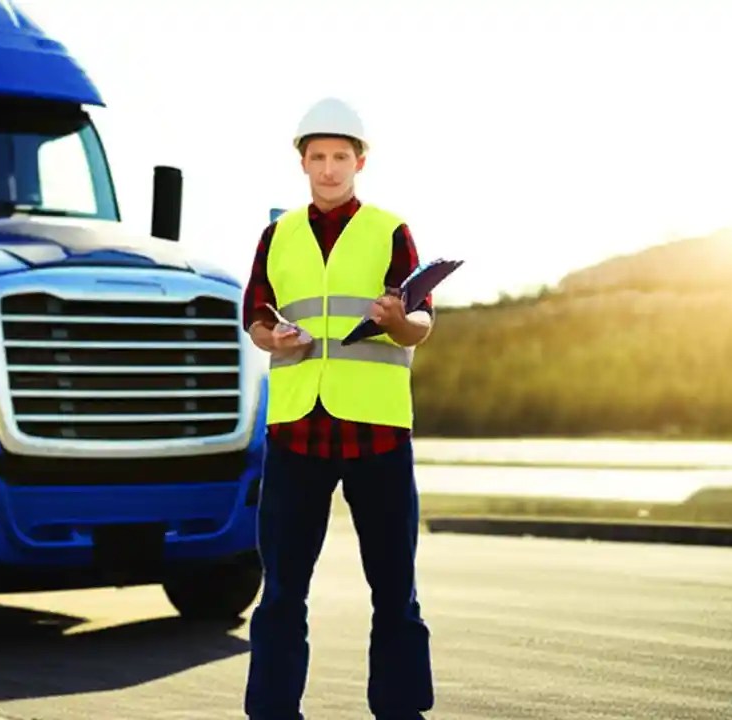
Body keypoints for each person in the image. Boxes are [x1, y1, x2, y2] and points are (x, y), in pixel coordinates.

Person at [242, 97, 436, 720]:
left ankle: (401, 711)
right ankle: (272, 712)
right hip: (297, 431)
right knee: (281, 593)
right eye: (318, 157)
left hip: (376, 432)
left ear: (360, 160)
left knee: (394, 592)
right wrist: (271, 338)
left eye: (340, 157)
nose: (329, 169)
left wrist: (400, 320)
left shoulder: (390, 230)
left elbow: (420, 327)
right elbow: (256, 318)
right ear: (302, 162)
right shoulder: (277, 236)